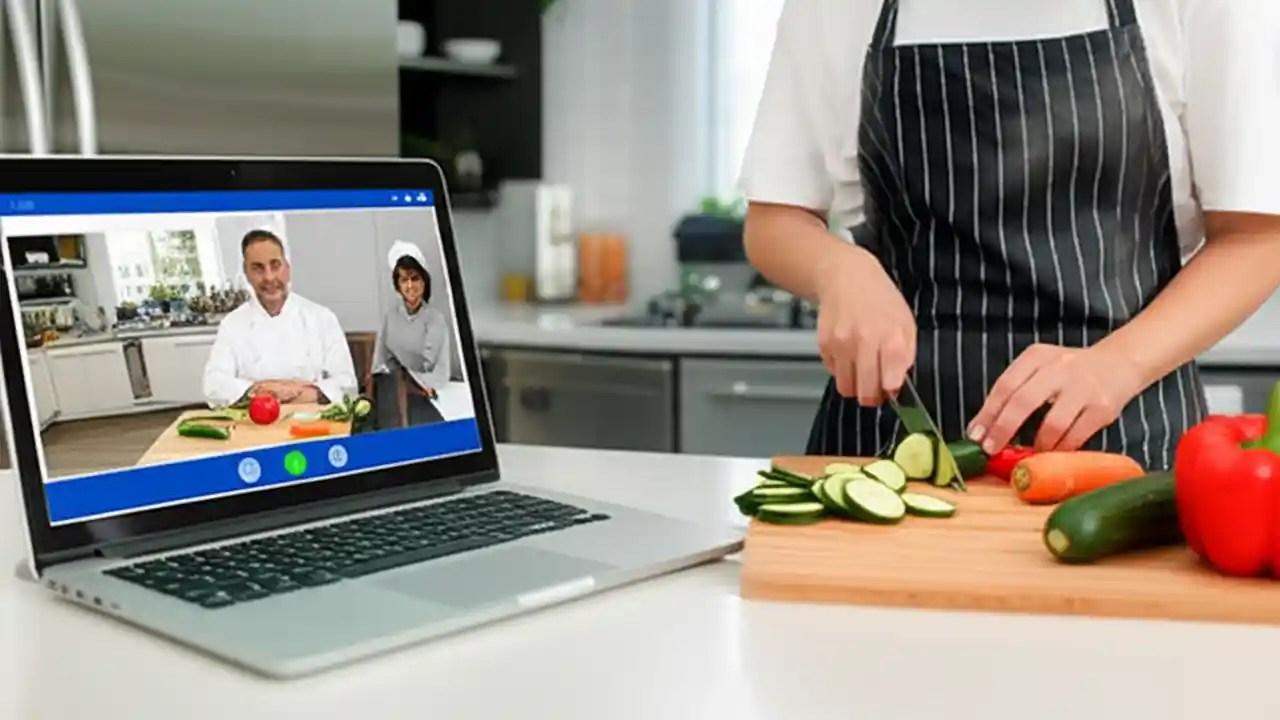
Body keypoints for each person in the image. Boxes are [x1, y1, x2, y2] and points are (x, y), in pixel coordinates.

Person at [741, 0, 1280, 469]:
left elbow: (1258, 238)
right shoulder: (834, 8)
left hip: (1127, 444)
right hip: (890, 440)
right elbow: (775, 219)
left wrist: (1121, 364)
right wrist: (839, 269)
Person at [202, 229, 358, 407]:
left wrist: (296, 394)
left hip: (313, 422)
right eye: (258, 268)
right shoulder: (232, 324)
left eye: (275, 265)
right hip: (253, 424)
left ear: (287, 268)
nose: (269, 277)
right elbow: (213, 386)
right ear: (247, 274)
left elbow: (347, 384)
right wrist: (263, 390)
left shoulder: (322, 318)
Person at [367, 240, 451, 428]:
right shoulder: (390, 318)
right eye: (404, 280)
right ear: (398, 285)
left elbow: (428, 364)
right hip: (394, 392)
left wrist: (403, 368)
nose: (410, 285)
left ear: (424, 281)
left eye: (415, 278)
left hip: (425, 393)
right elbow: (381, 361)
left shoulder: (435, 319)